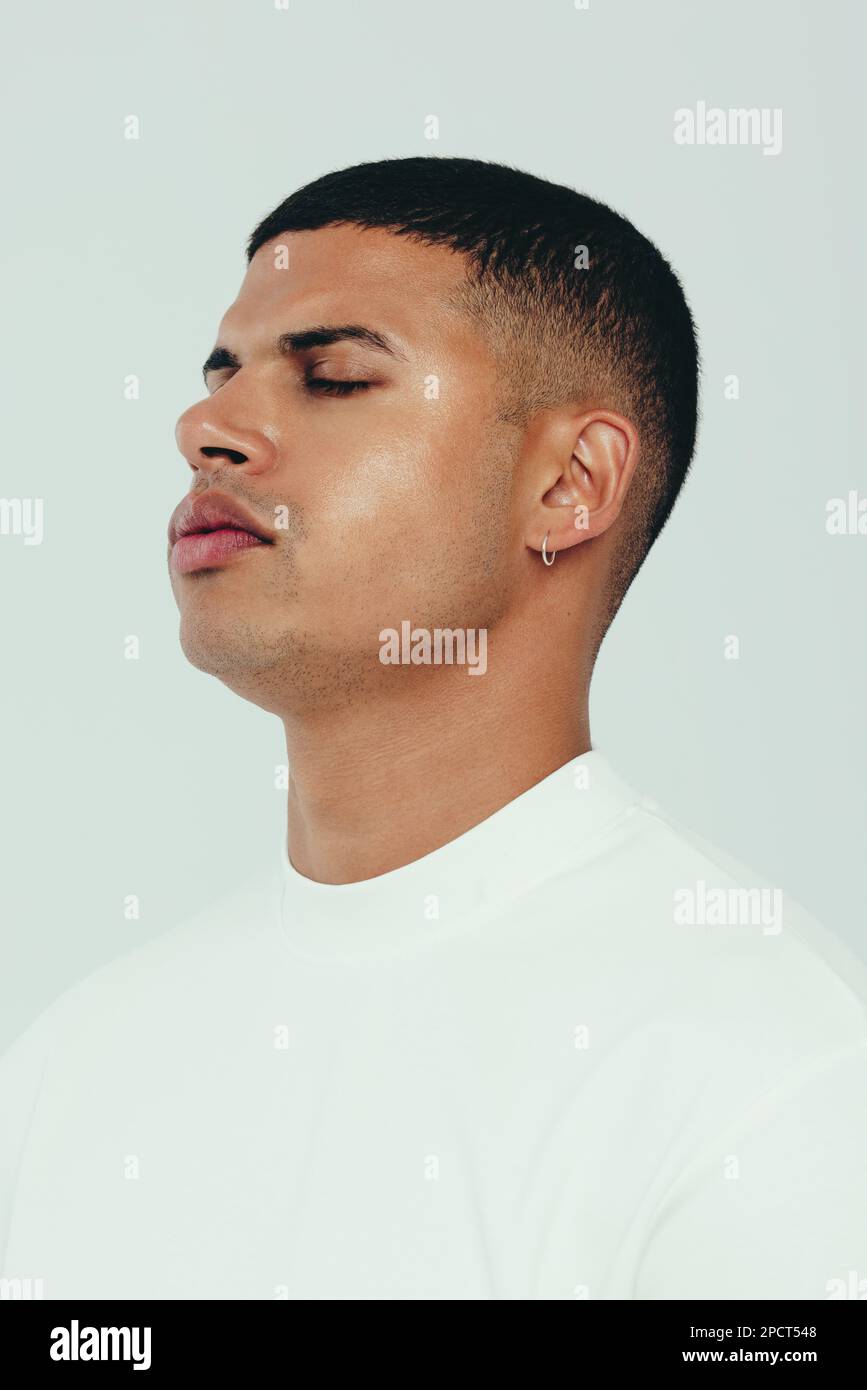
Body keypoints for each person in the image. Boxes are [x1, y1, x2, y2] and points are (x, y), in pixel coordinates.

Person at [2, 157, 865, 1300]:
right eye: (221, 376)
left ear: (568, 482)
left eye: (335, 377)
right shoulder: (72, 1070)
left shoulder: (768, 1075)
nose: (205, 427)